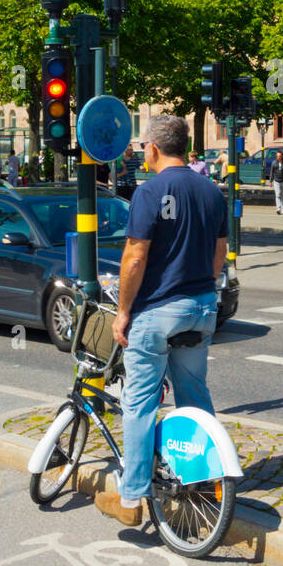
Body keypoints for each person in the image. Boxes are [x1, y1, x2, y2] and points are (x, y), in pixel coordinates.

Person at [99, 115, 228, 528]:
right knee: (194, 396)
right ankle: (207, 481)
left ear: (153, 148)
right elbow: (220, 251)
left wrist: (123, 312)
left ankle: (132, 498)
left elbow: (135, 256)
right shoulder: (211, 190)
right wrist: (202, 287)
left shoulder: (149, 191)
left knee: (139, 402)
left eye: (142, 147)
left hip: (158, 311)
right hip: (203, 306)